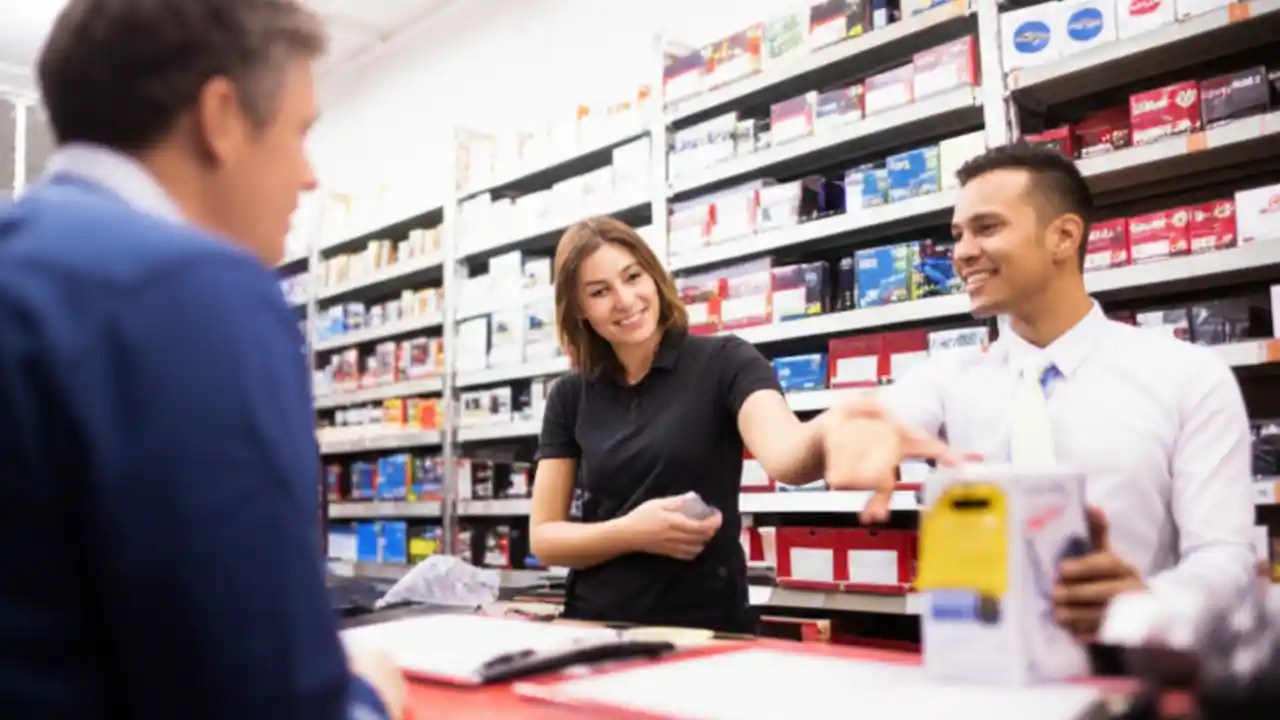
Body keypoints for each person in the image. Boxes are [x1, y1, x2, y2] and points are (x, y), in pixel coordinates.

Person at [0, 1, 403, 718]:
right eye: (299, 132)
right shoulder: (190, 288)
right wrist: (370, 690)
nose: (309, 177)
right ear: (220, 116)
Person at [824, 143, 1257, 643]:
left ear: (1063, 237)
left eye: (987, 228)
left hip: (1133, 669)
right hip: (980, 676)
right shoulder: (948, 378)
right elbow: (876, 423)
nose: (961, 252)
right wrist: (857, 436)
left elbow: (1226, 559)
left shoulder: (1188, 376)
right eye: (958, 234)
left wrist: (1149, 603)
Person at [529, 217, 871, 634]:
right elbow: (544, 538)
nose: (624, 299)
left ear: (654, 276)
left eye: (632, 276)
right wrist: (632, 532)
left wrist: (833, 430)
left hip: (706, 630)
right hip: (597, 626)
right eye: (599, 292)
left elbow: (788, 456)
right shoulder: (570, 396)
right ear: (580, 310)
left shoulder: (725, 362)